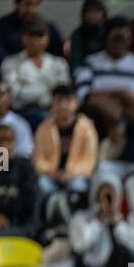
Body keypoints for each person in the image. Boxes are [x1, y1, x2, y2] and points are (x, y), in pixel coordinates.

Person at [67, 169, 134, 267]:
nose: (108, 199)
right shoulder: (82, 218)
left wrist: (117, 223)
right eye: (103, 192)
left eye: (112, 193)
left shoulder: (126, 219)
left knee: (129, 262)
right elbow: (79, 245)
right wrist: (99, 220)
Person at [75, 17, 134, 134]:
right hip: (97, 115)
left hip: (132, 112)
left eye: (123, 38)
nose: (119, 42)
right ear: (106, 38)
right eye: (116, 38)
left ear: (130, 39)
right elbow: (82, 95)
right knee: (98, 105)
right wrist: (114, 98)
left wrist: (118, 97)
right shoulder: (90, 62)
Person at [32, 85, 99, 218]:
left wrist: (71, 173)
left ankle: (76, 222)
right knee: (40, 184)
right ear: (52, 104)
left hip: (75, 176)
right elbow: (38, 158)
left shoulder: (87, 127)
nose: (63, 105)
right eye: (58, 101)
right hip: (51, 176)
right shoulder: (44, 128)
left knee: (78, 185)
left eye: (67, 101)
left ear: (76, 103)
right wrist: (53, 173)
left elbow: (90, 159)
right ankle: (45, 222)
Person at [0, 17, 70, 129]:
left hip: (52, 113)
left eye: (40, 36)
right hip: (20, 112)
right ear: (23, 37)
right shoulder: (10, 63)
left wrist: (26, 86)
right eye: (31, 36)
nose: (35, 41)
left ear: (47, 39)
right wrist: (47, 89)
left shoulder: (59, 64)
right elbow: (15, 94)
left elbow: (61, 96)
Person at [0, 0, 65, 67]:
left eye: (35, 4)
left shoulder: (48, 26)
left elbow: (57, 52)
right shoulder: (3, 25)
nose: (31, 10)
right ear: (17, 4)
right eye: (27, 4)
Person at [68, 0, 107, 74]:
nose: (93, 15)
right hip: (84, 73)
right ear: (84, 14)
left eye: (97, 11)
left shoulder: (108, 32)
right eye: (90, 11)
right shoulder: (77, 34)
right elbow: (76, 62)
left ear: (103, 13)